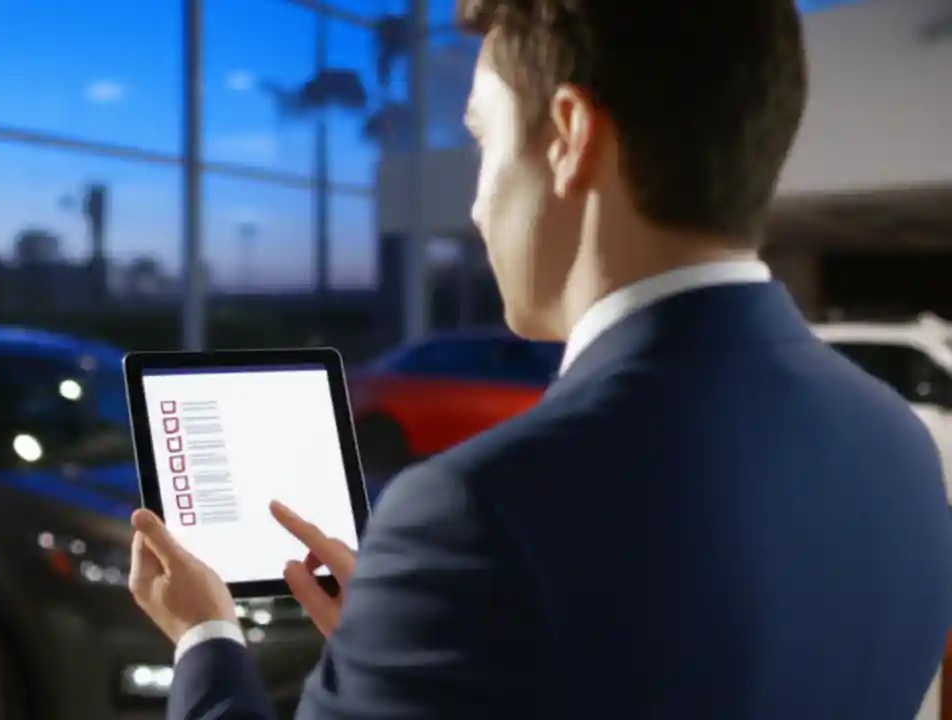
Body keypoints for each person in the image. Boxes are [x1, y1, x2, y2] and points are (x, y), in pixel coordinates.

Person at [127, 0, 952, 717]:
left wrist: (207, 638)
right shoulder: (899, 444)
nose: (480, 205)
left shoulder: (479, 514)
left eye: (484, 142)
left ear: (568, 137)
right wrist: (408, 646)